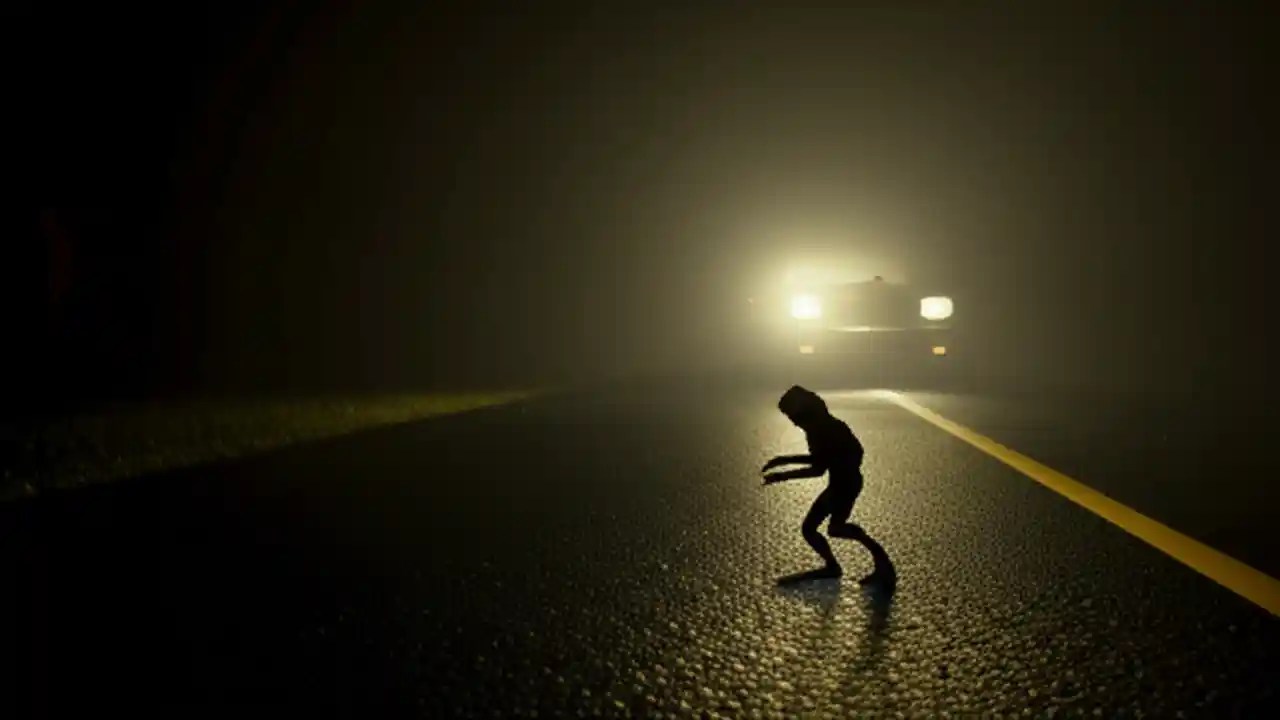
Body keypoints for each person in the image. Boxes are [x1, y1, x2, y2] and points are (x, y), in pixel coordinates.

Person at [762, 385, 895, 586]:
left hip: (843, 486)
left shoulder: (821, 431)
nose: (794, 423)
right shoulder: (828, 425)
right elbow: (822, 459)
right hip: (844, 483)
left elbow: (818, 469)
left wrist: (782, 475)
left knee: (831, 528)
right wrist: (783, 461)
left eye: (793, 417)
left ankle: (878, 563)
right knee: (816, 529)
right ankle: (839, 566)